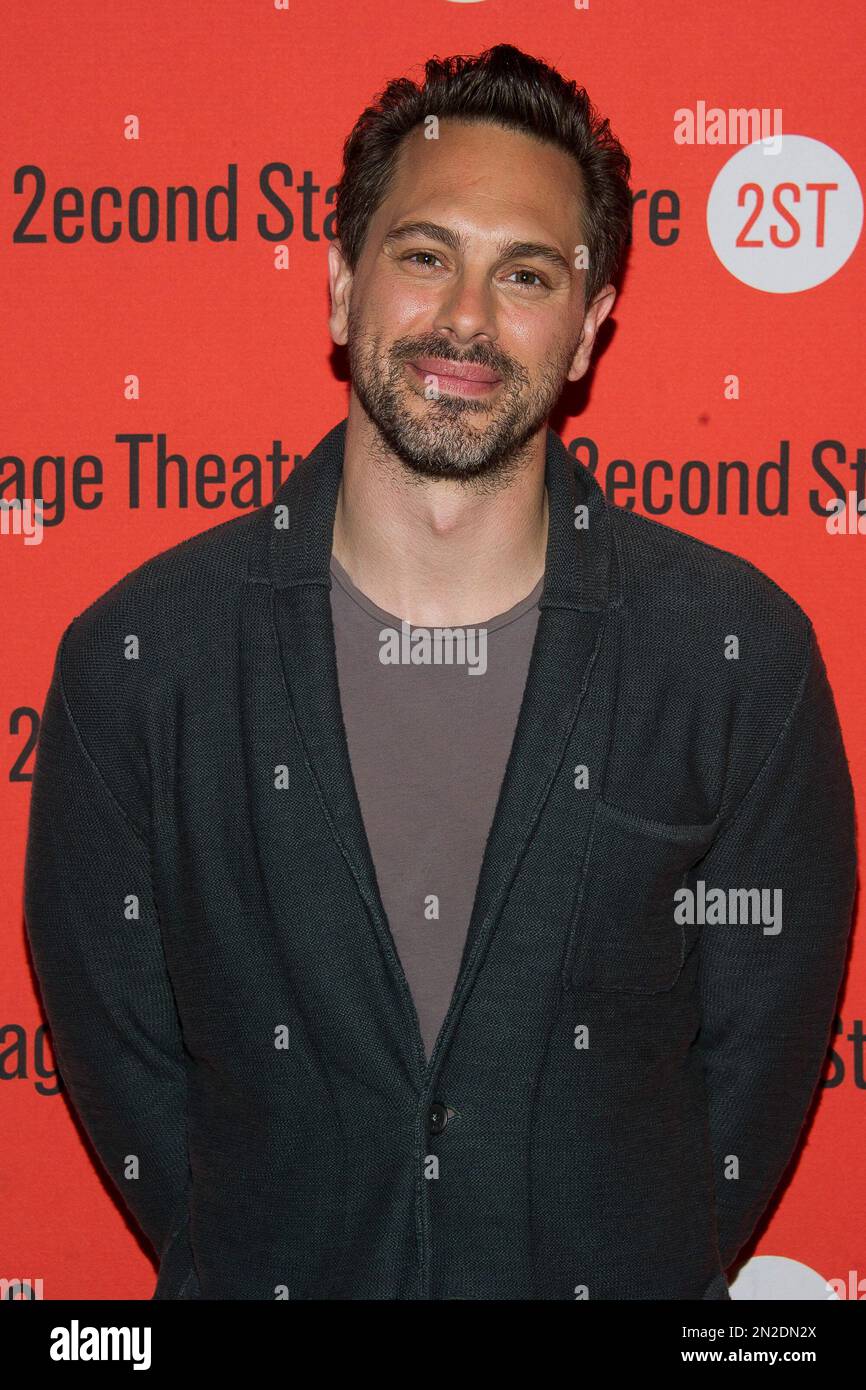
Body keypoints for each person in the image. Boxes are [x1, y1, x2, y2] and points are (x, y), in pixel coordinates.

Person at [24, 43, 856, 1301]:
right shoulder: (143, 663)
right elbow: (128, 1066)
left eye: (524, 273)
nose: (465, 318)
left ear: (587, 329)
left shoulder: (733, 657)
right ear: (341, 285)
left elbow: (753, 1059)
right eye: (424, 256)